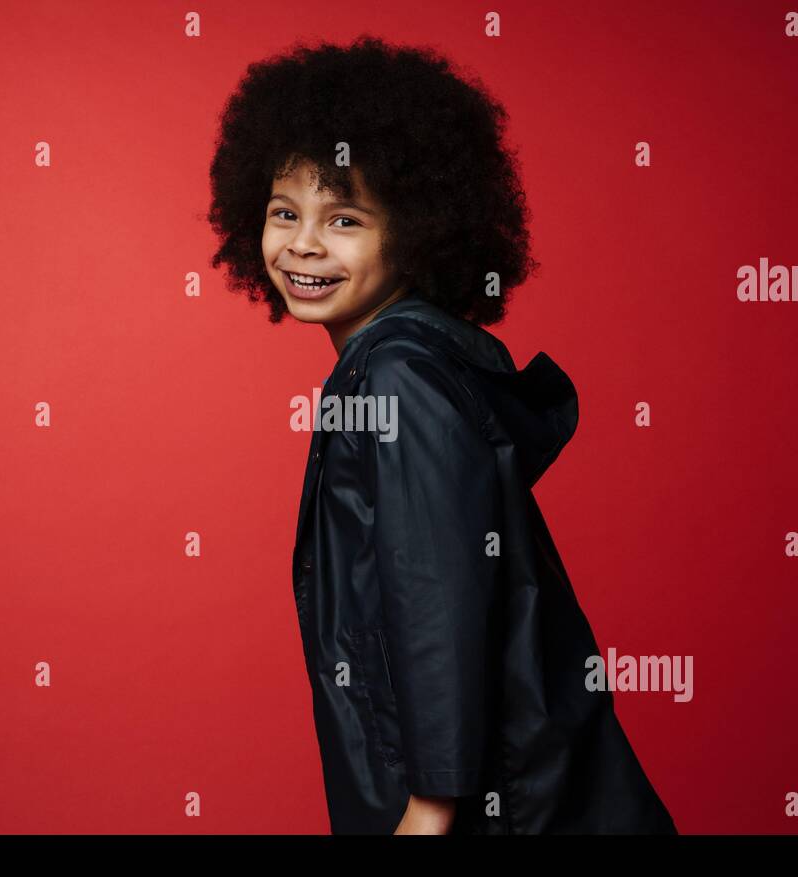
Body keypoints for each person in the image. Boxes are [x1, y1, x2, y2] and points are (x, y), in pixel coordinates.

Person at [208, 35, 678, 835]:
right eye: (285, 212)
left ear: (418, 232)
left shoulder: (401, 380)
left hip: (486, 809)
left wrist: (431, 808)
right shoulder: (404, 364)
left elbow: (439, 598)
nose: (305, 244)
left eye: (345, 218)